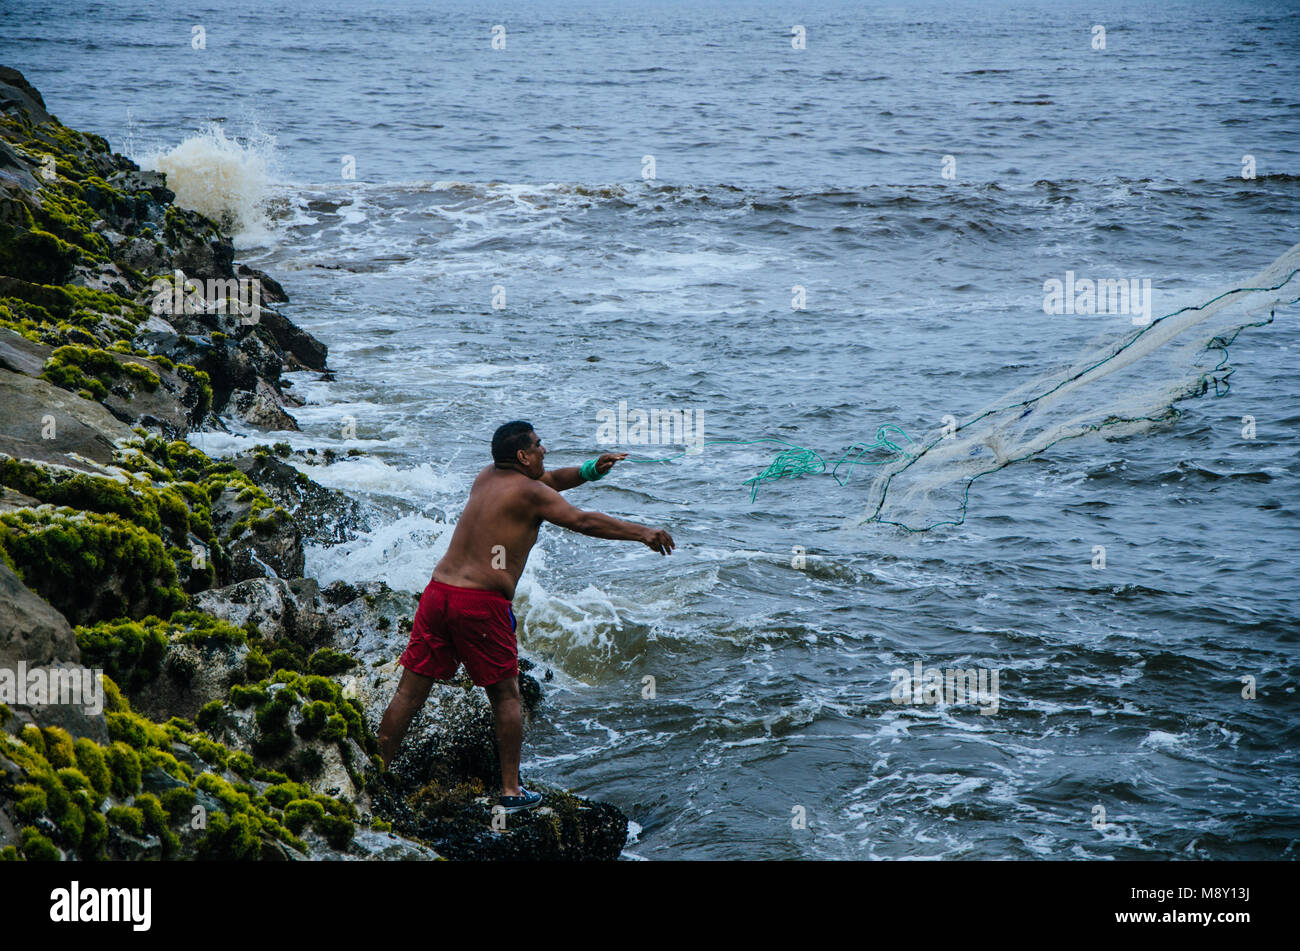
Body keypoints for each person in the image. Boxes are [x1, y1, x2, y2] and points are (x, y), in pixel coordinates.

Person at [377, 420, 675, 811]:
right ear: (522, 455)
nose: (544, 450)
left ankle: (374, 772)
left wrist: (590, 470)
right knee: (506, 695)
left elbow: (549, 480)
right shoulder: (531, 493)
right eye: (538, 445)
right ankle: (511, 792)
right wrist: (643, 533)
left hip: (438, 595)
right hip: (479, 604)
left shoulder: (488, 476)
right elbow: (581, 520)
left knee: (409, 692)